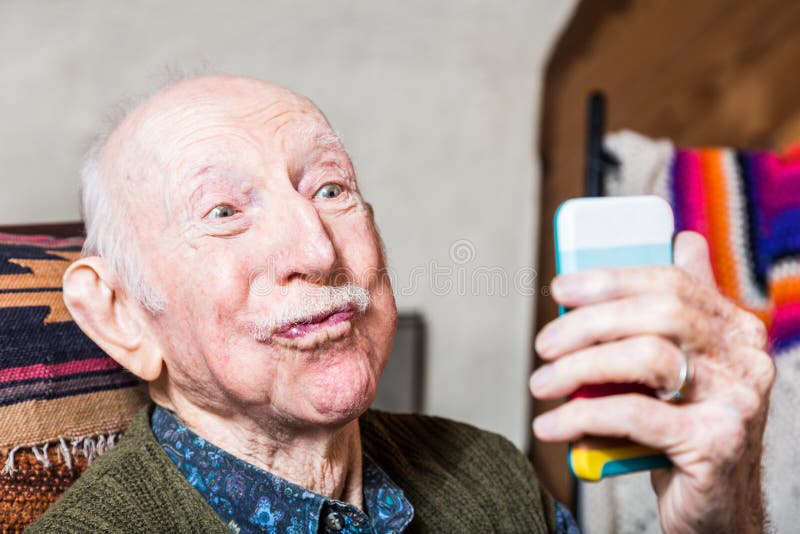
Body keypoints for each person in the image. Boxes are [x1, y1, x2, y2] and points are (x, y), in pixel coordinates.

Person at [29, 75, 774, 533]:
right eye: (223, 211)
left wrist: (721, 522)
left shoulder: (488, 474)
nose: (317, 251)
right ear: (120, 315)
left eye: (330, 189)